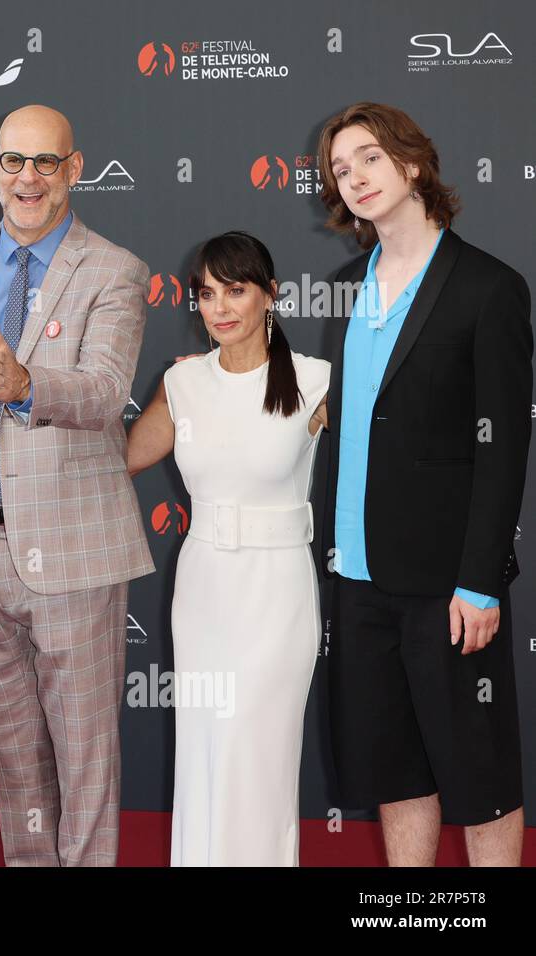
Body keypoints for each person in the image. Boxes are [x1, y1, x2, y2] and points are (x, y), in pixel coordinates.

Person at [0, 105, 153, 866]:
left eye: (45, 164)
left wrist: (25, 384)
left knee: (84, 765)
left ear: (74, 170)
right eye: (14, 162)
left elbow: (106, 391)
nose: (28, 179)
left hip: (74, 553)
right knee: (14, 761)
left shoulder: (114, 270)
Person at [316, 102, 530, 866]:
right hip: (357, 576)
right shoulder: (346, 288)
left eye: (369, 158)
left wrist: (479, 582)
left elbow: (503, 449)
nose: (355, 178)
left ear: (412, 164)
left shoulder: (487, 288)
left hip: (447, 586)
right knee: (394, 771)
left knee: (480, 776)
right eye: (341, 170)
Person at [127, 231, 330, 866]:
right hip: (206, 590)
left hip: (278, 594)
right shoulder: (184, 384)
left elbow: (371, 478)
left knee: (255, 750)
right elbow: (115, 462)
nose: (218, 308)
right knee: (207, 747)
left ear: (271, 295)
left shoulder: (316, 382)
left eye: (235, 290)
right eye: (207, 293)